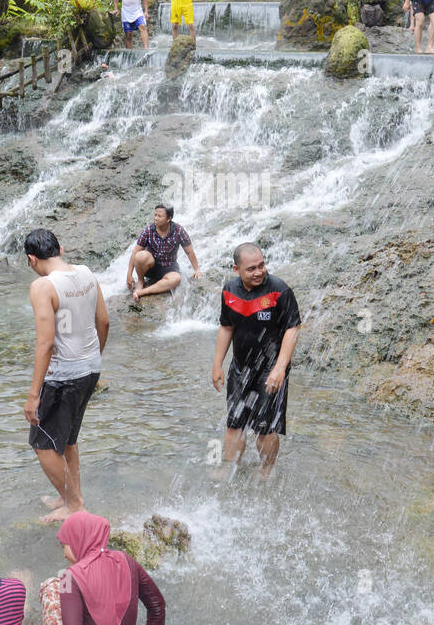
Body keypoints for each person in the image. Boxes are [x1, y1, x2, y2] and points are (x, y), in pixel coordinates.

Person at [23, 228, 109, 524]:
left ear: (31, 259)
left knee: (42, 443)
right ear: (60, 249)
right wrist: (93, 359)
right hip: (90, 368)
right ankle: (68, 496)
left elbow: (45, 343)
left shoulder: (43, 287)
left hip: (64, 376)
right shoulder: (87, 273)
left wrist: (33, 395)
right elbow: (104, 321)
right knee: (68, 441)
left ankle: (75, 504)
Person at [211, 243, 302, 480]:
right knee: (233, 424)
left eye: (262, 265)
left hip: (270, 369)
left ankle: (267, 469)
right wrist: (218, 364)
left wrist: (280, 368)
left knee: (265, 428)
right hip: (240, 368)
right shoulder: (229, 291)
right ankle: (230, 467)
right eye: (251, 268)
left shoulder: (279, 290)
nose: (259, 272)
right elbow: (226, 326)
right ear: (236, 269)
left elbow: (293, 329)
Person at [54, 511, 165, 625]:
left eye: (64, 545)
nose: (64, 554)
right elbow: (157, 605)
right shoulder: (126, 560)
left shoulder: (67, 576)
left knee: (50, 588)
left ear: (77, 540)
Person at [125, 204, 202, 301]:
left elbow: (189, 252)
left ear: (169, 218)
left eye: (159, 216)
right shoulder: (149, 230)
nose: (155, 218)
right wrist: (129, 274)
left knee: (176, 279)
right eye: (155, 215)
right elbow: (135, 252)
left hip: (169, 266)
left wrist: (197, 269)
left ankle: (142, 292)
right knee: (140, 256)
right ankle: (141, 281)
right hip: (150, 266)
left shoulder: (178, 230)